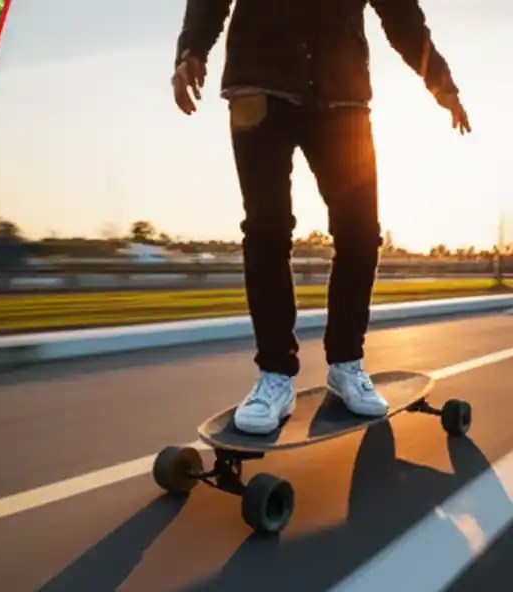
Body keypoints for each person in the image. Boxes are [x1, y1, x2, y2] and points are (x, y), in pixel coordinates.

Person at [170, 0, 470, 435]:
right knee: (267, 229)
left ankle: (346, 364)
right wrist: (191, 49)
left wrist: (441, 83)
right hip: (260, 81)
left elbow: (401, 13)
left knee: (360, 233)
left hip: (342, 94)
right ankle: (275, 375)